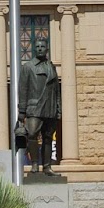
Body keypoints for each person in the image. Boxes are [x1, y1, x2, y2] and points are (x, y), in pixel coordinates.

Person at [17, 36, 61, 173]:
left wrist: (58, 109)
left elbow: (56, 90)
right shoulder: (28, 67)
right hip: (34, 108)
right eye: (37, 47)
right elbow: (23, 89)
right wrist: (22, 110)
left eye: (42, 46)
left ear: (47, 48)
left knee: (48, 137)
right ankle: (35, 164)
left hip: (50, 107)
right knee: (32, 135)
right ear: (34, 49)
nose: (40, 49)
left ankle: (47, 166)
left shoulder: (51, 66)